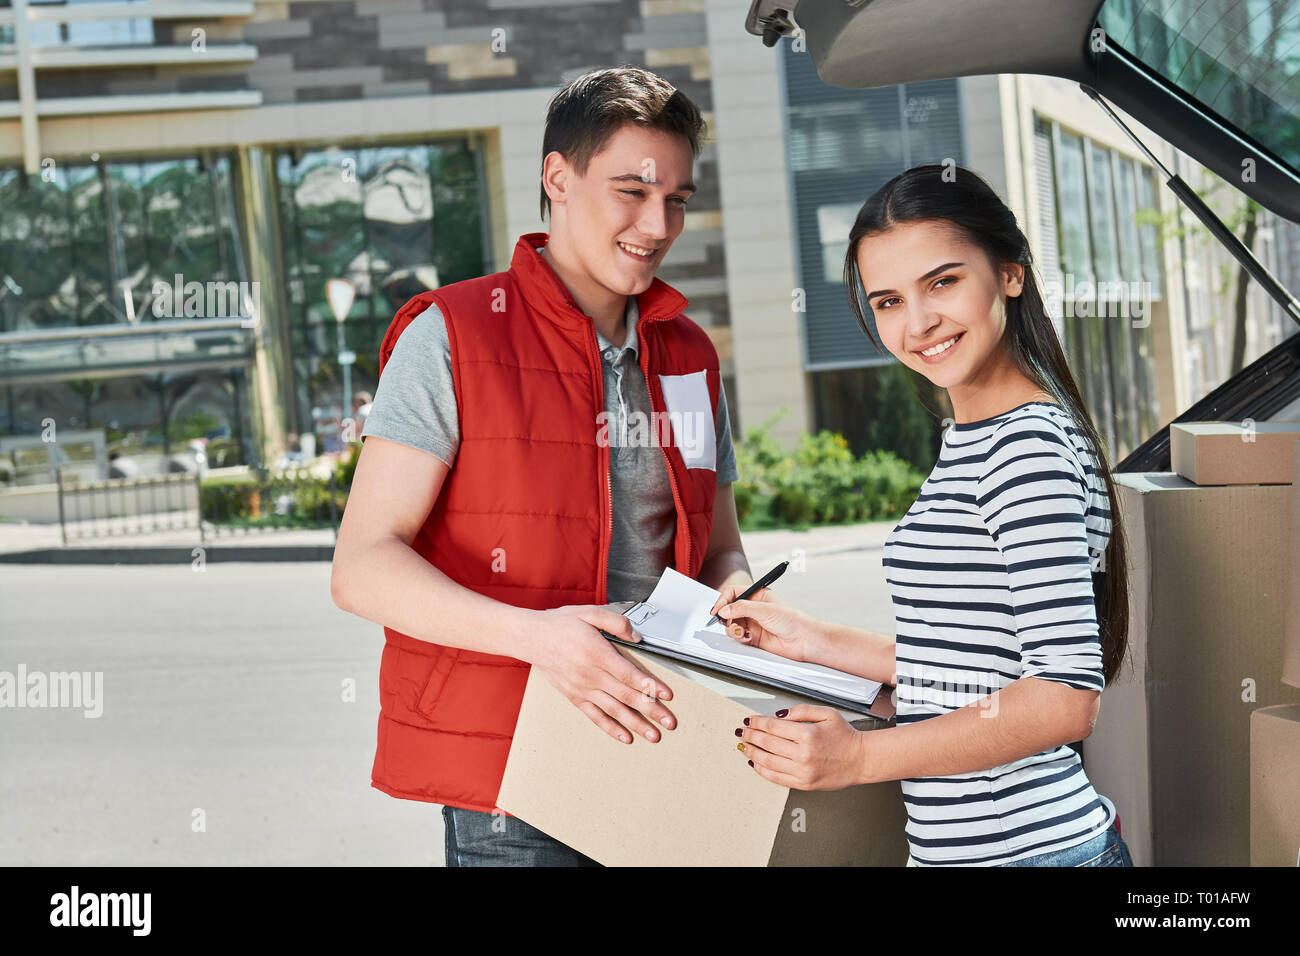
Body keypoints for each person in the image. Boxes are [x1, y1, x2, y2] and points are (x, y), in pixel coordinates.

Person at [330, 66, 752, 867]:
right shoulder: (453, 334)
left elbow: (716, 545)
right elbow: (362, 568)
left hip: (665, 743)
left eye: (678, 200)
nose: (657, 224)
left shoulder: (688, 354)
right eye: (632, 191)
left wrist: (734, 597)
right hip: (515, 777)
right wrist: (539, 639)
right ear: (557, 178)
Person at [715, 164, 1134, 867]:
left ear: (1010, 273)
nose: (918, 323)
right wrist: (805, 637)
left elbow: (1064, 699)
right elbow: (974, 671)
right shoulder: (972, 435)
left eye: (942, 282)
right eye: (887, 301)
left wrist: (857, 759)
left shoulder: (1024, 446)